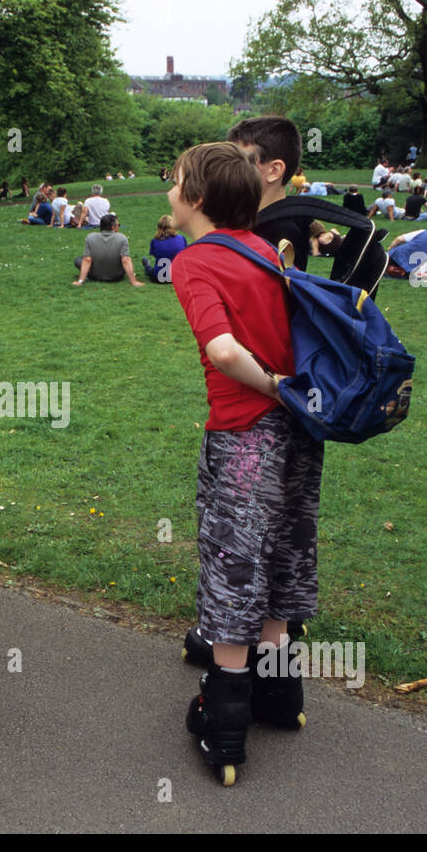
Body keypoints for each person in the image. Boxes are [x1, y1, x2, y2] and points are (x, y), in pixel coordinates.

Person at [166, 140, 322, 785]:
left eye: (174, 181)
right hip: (298, 431)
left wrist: (271, 387)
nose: (167, 191)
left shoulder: (195, 261)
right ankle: (281, 697)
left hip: (245, 431)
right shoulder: (263, 248)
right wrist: (291, 393)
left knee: (234, 562)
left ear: (197, 199)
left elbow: (225, 350)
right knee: (285, 548)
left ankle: (224, 718)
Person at [227, 115, 312, 269]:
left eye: (240, 161)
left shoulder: (280, 233)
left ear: (274, 170)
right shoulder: (257, 221)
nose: (228, 169)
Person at [72, 213, 144, 286]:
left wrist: (80, 281)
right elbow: (126, 260)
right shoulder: (122, 238)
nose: (119, 227)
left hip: (95, 275)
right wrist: (134, 282)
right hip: (116, 276)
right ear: (113, 227)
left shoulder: (90, 238)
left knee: (78, 260)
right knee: (125, 258)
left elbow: (87, 260)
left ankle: (85, 276)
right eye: (118, 225)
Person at [144, 213, 187, 282]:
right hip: (178, 276)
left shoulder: (155, 241)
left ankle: (147, 265)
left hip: (158, 278)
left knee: (149, 271)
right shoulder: (181, 238)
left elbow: (155, 254)